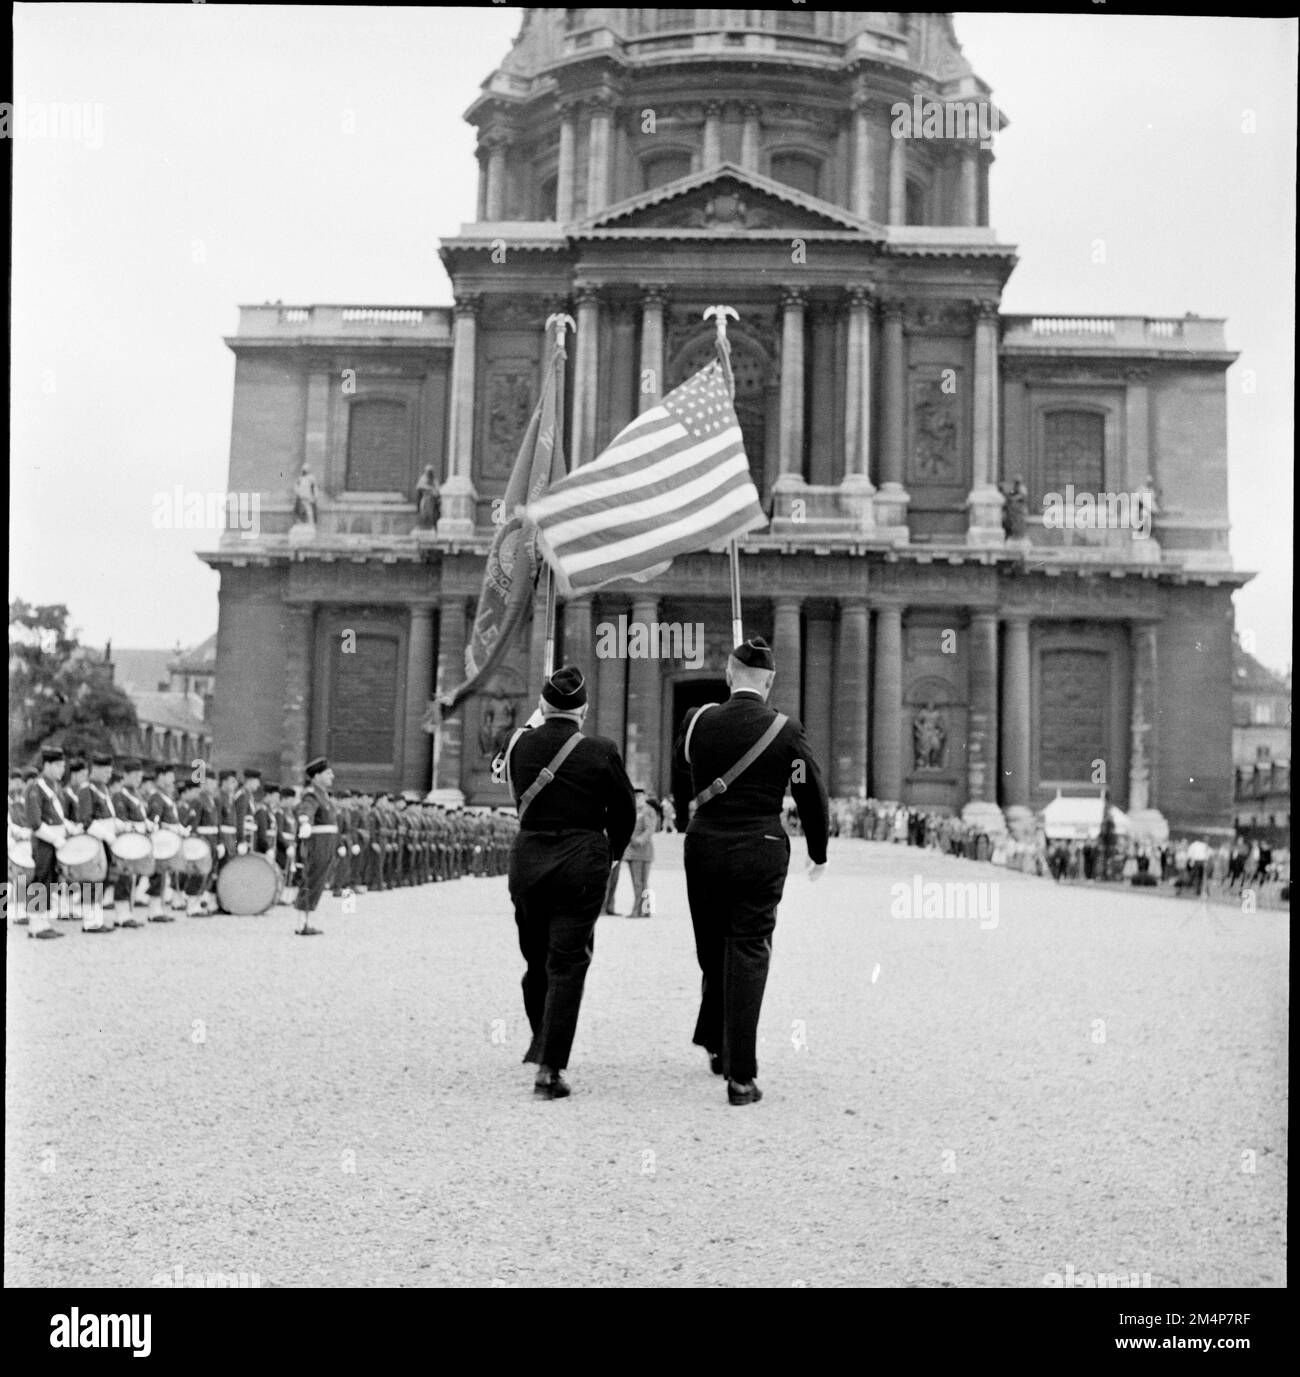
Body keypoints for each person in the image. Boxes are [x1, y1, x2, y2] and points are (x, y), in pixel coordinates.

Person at [674, 636, 829, 1106]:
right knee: (748, 952)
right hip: (760, 848)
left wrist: (686, 818)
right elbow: (810, 791)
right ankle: (740, 1077)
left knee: (712, 950)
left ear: (727, 673)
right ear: (771, 682)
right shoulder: (786, 730)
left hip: (704, 846)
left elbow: (684, 772)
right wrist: (818, 850)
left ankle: (719, 1043)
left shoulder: (696, 721)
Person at [501, 664, 636, 1100]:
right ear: (584, 710)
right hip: (581, 862)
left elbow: (510, 787)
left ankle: (543, 1040)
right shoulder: (600, 750)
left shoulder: (520, 744)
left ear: (542, 706)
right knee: (568, 963)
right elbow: (625, 812)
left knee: (535, 962)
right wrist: (610, 855)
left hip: (529, 859)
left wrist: (532, 724)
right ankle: (549, 1066)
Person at [23, 747, 70, 939]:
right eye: (58, 765)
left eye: (63, 766)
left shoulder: (55, 788)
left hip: (54, 841)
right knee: (39, 880)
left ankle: (43, 922)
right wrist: (55, 838)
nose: (62, 769)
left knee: (49, 881)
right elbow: (35, 822)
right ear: (47, 765)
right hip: (43, 841)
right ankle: (35, 924)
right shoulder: (36, 787)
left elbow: (57, 817)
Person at [295, 757, 338, 935]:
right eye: (328, 773)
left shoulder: (323, 794)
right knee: (312, 878)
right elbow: (306, 809)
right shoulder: (312, 793)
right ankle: (303, 922)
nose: (332, 776)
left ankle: (308, 919)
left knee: (319, 879)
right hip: (318, 843)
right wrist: (305, 822)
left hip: (326, 843)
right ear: (317, 776)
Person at [624, 787, 657, 917]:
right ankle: (643, 909)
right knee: (637, 882)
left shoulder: (648, 810)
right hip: (631, 850)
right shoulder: (630, 810)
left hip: (643, 849)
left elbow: (650, 829)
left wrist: (639, 840)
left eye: (640, 796)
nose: (637, 798)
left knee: (641, 882)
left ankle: (640, 910)